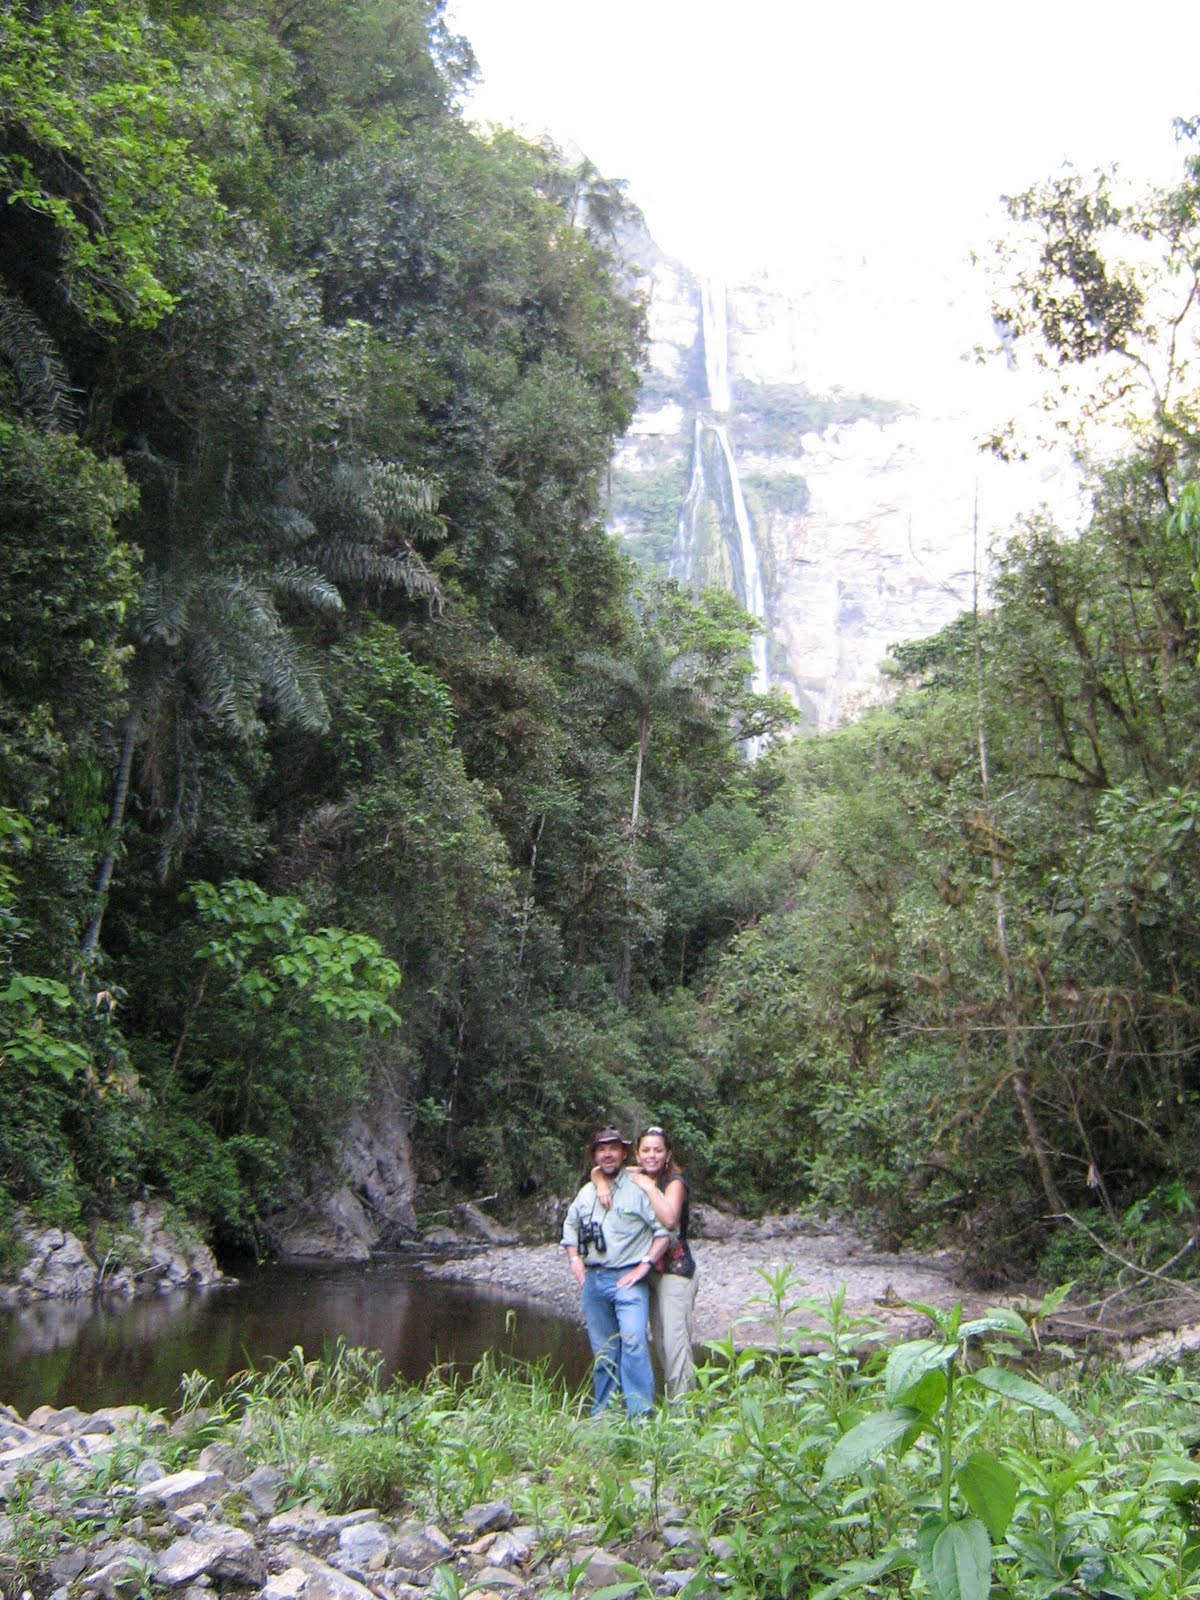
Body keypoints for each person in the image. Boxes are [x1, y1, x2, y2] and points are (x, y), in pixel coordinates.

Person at [562, 1125, 671, 1417]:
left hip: (628, 1279)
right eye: (601, 1149)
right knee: (604, 1351)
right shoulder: (586, 1193)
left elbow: (663, 1233)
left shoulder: (639, 1187)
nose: (607, 1154)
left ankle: (641, 1416)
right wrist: (574, 1259)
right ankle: (605, 1415)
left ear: (624, 1153)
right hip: (594, 1282)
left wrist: (644, 1265)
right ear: (594, 1155)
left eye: (613, 1148)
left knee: (634, 1341)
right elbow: (570, 1227)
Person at [594, 1124, 698, 1400]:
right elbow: (599, 1168)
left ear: (667, 1155)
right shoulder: (635, 1174)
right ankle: (676, 1402)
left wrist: (650, 1187)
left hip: (675, 1272)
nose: (652, 1156)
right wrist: (601, 1182)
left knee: (676, 1343)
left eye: (658, 1151)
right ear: (637, 1155)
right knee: (660, 1344)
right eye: (646, 1150)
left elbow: (670, 1219)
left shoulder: (674, 1182)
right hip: (647, 1271)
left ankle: (686, 1410)